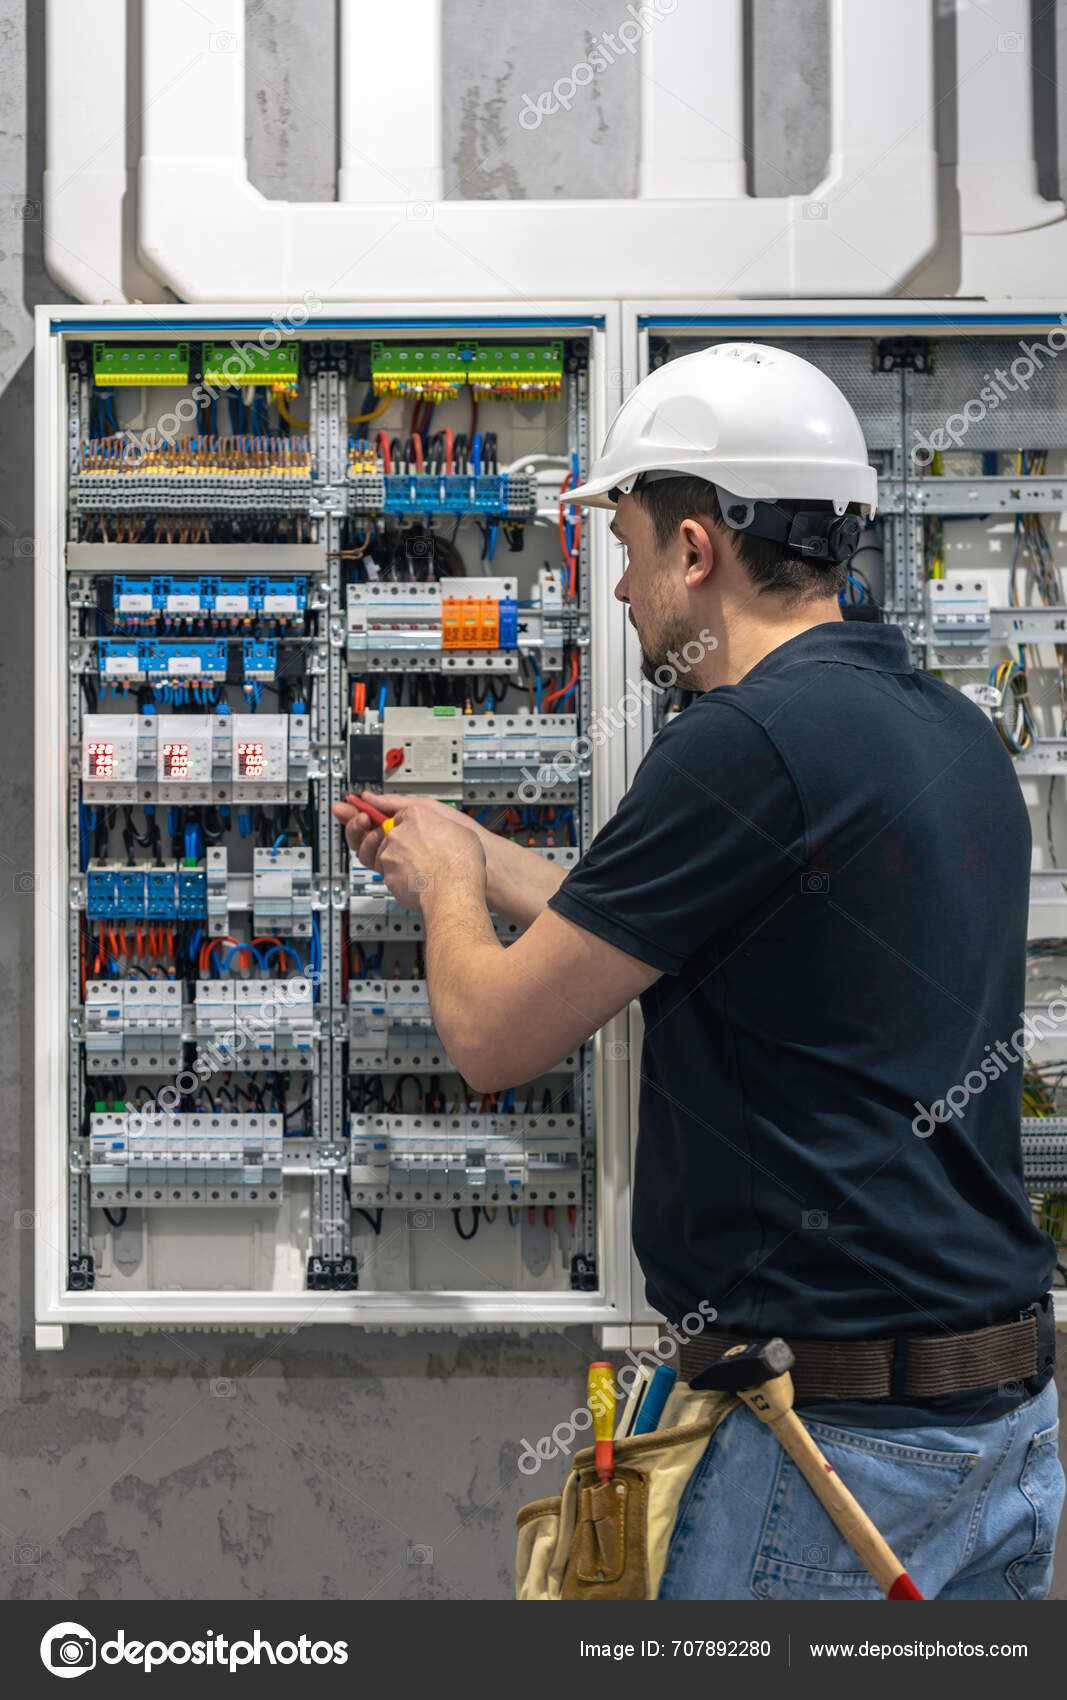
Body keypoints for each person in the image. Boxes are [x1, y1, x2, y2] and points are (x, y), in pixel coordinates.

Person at [334, 342, 1062, 1600]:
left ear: (695, 548)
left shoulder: (740, 742)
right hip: (989, 1430)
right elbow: (699, 929)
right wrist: (472, 846)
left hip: (829, 1455)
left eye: (623, 544)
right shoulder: (940, 728)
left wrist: (443, 892)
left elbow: (493, 1034)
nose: (615, 589)